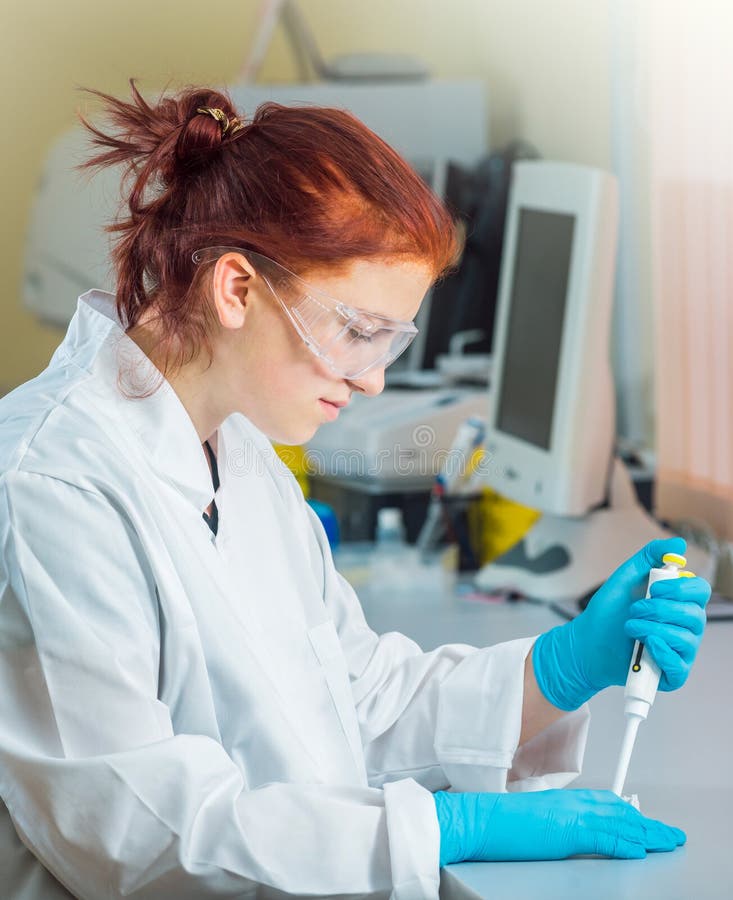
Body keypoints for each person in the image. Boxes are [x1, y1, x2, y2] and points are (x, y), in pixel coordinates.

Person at [0, 82, 710, 900]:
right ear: (236, 289)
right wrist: (447, 829)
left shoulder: (235, 446)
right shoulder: (50, 487)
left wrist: (557, 671)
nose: (374, 381)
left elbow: (348, 701)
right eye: (357, 332)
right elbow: (137, 835)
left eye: (392, 340)